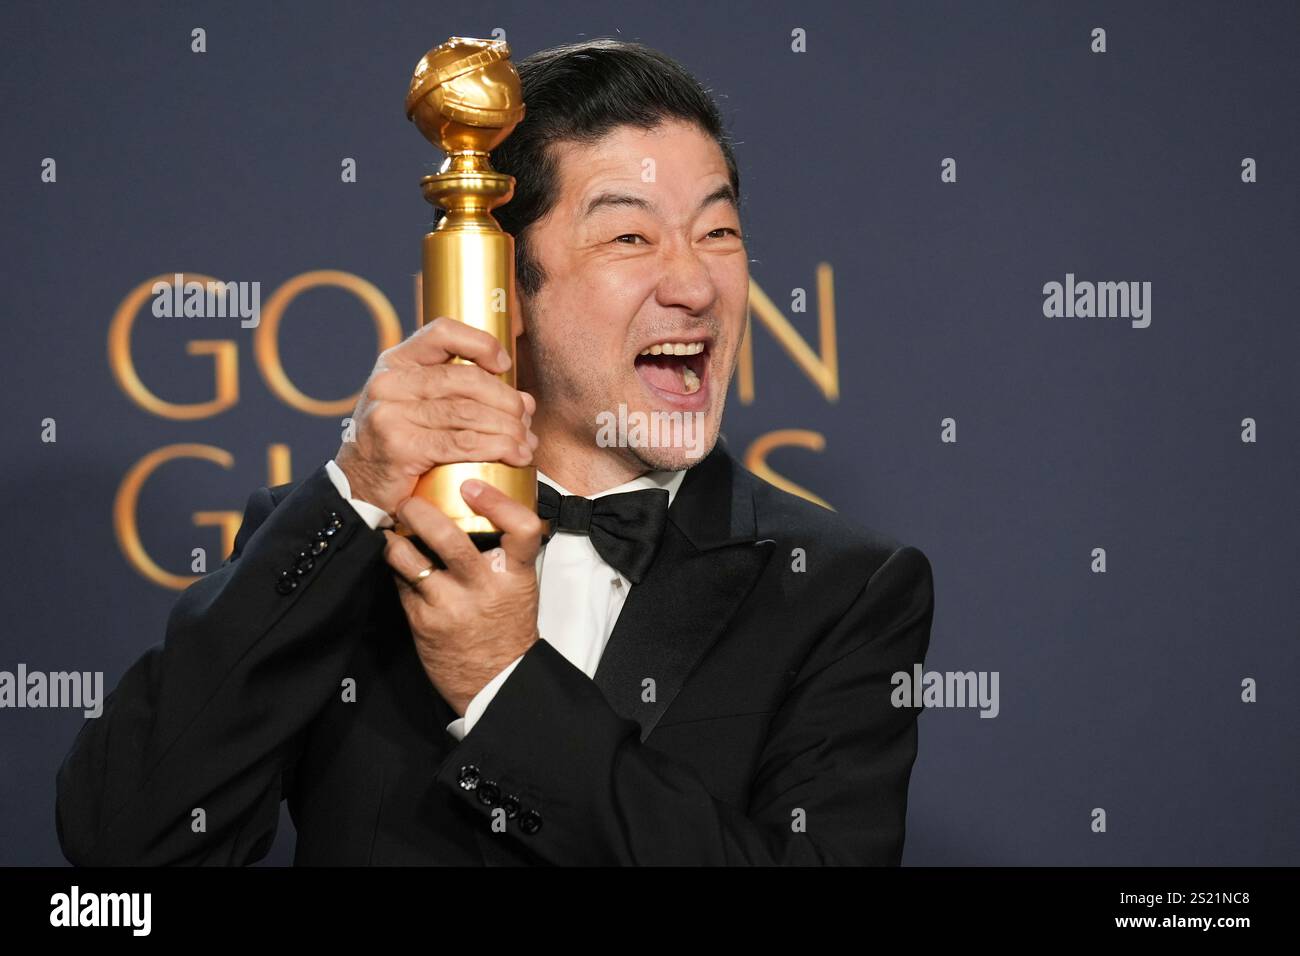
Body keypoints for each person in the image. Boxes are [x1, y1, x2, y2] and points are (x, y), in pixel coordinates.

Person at [55, 38, 934, 866]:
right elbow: (122, 841)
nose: (695, 284)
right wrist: (354, 492)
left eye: (718, 232)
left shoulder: (842, 591)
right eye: (630, 236)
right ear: (506, 288)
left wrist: (504, 687)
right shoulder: (343, 544)